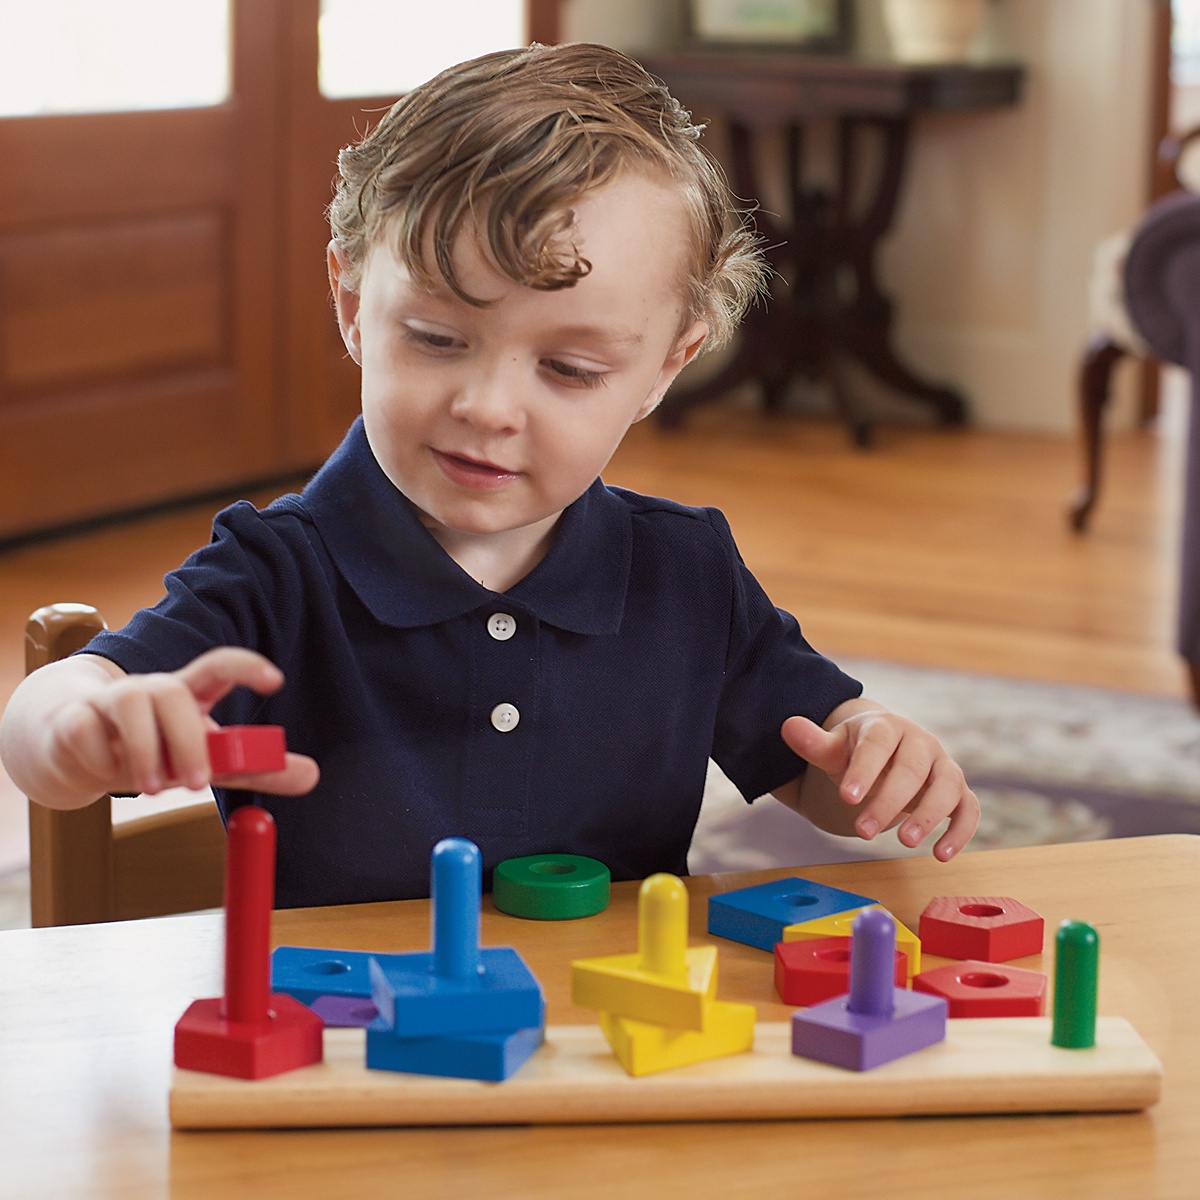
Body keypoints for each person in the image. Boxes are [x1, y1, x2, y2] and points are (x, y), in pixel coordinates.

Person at [0, 43, 978, 907]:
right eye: (436, 337)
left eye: (571, 369)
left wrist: (875, 755)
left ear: (664, 369)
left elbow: (817, 773)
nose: (489, 407)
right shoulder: (274, 574)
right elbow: (44, 728)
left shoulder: (688, 573)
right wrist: (82, 723)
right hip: (351, 1032)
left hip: (606, 1029)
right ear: (352, 302)